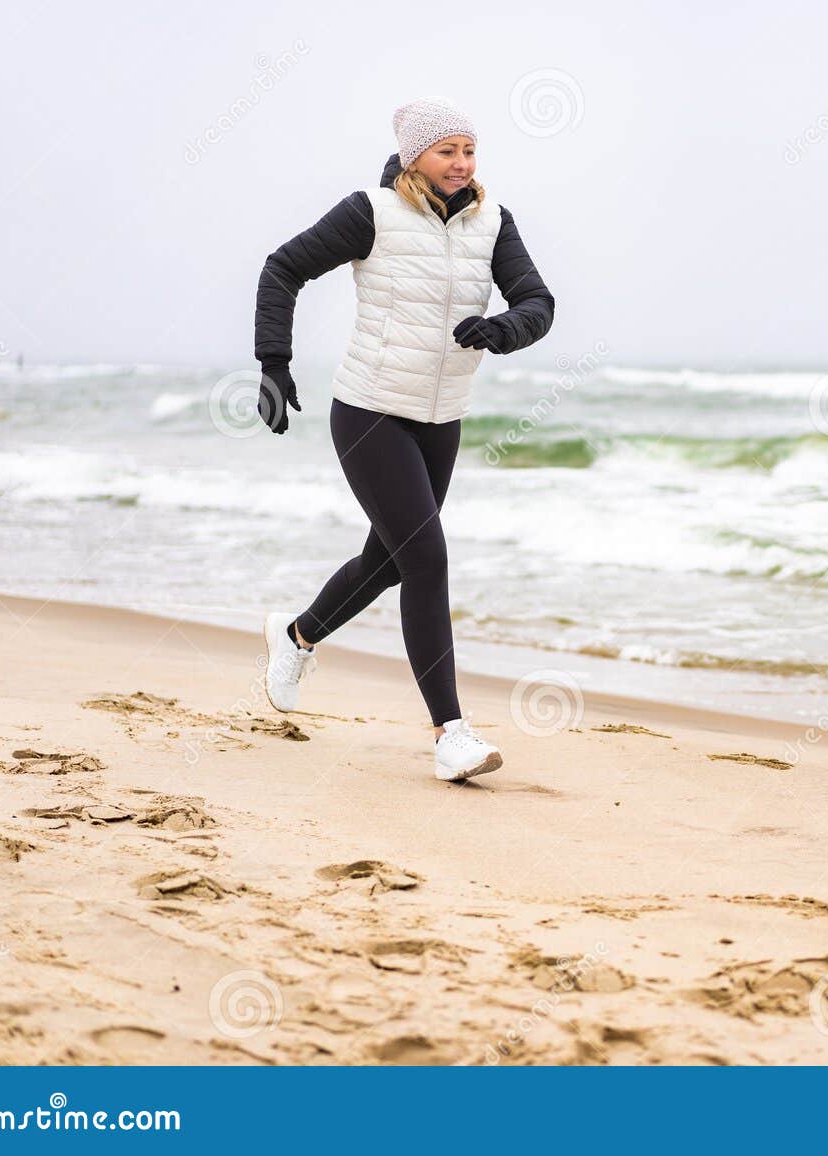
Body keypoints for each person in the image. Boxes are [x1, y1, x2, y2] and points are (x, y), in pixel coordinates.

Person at [250, 97, 555, 782]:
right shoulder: (372, 211)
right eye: (447, 151)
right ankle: (451, 734)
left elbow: (539, 303)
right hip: (370, 412)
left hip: (441, 418)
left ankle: (297, 635)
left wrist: (503, 329)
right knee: (426, 559)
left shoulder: (493, 221)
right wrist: (274, 362)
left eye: (469, 150)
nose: (462, 163)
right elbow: (283, 268)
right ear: (416, 155)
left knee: (389, 560)